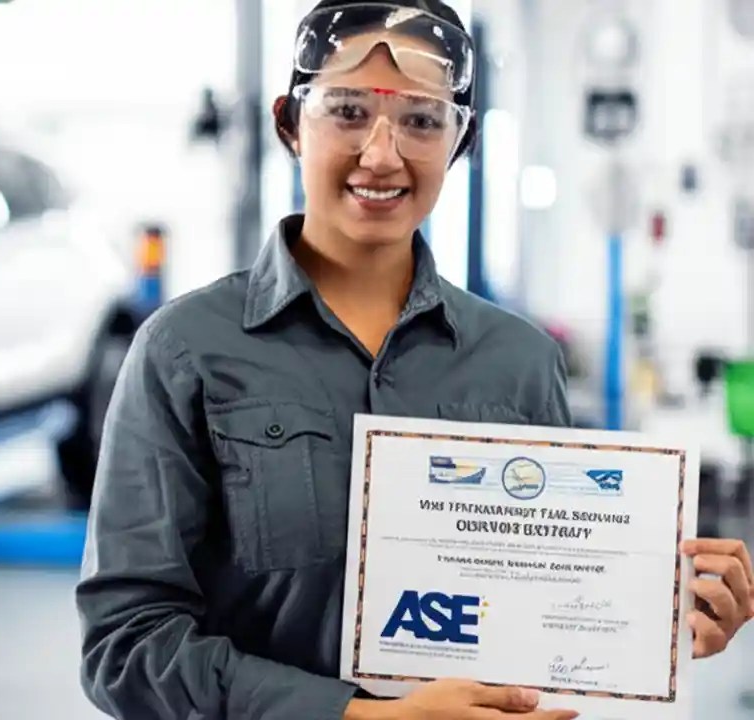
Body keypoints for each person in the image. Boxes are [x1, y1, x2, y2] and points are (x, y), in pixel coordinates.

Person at [75, 1, 754, 718]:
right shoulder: (186, 351)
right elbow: (124, 646)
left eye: (423, 120)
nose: (382, 153)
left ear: (460, 144)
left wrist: (661, 617)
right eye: (347, 111)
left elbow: (550, 604)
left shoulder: (519, 362)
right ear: (289, 125)